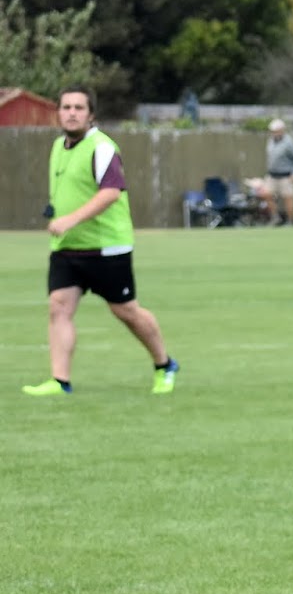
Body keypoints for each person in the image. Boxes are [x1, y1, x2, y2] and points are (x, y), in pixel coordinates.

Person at [22, 86, 179, 397]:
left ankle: (164, 364)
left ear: (90, 114)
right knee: (59, 308)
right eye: (66, 107)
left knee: (126, 311)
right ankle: (60, 381)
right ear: (58, 113)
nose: (71, 112)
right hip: (67, 248)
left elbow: (110, 192)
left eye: (79, 108)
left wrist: (69, 219)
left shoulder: (102, 147)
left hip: (107, 247)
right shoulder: (58, 147)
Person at [265, 118, 293, 226]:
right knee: (266, 194)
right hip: (272, 175)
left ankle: (291, 221)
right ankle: (276, 217)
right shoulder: (271, 141)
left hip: (286, 176)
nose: (274, 133)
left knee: (288, 199)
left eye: (276, 131)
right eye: (272, 131)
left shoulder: (289, 143)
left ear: (282, 130)